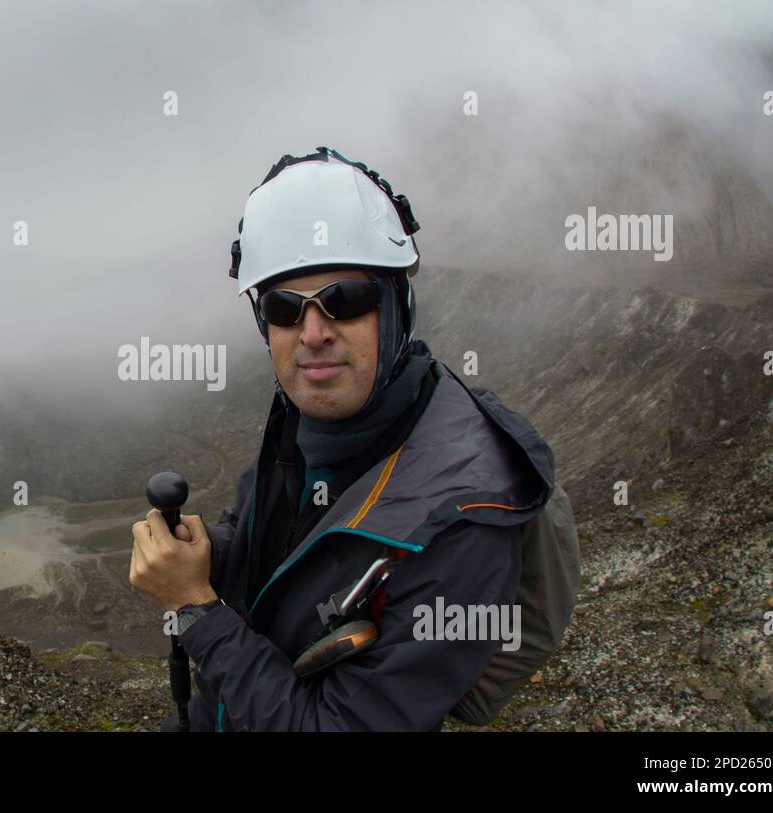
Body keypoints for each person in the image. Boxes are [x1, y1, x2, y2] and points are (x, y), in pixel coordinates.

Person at [130, 146, 559, 731]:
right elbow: (283, 543)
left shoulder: (467, 515)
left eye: (345, 300)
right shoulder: (307, 419)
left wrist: (195, 609)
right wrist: (211, 549)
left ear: (395, 308)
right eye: (284, 308)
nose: (312, 333)